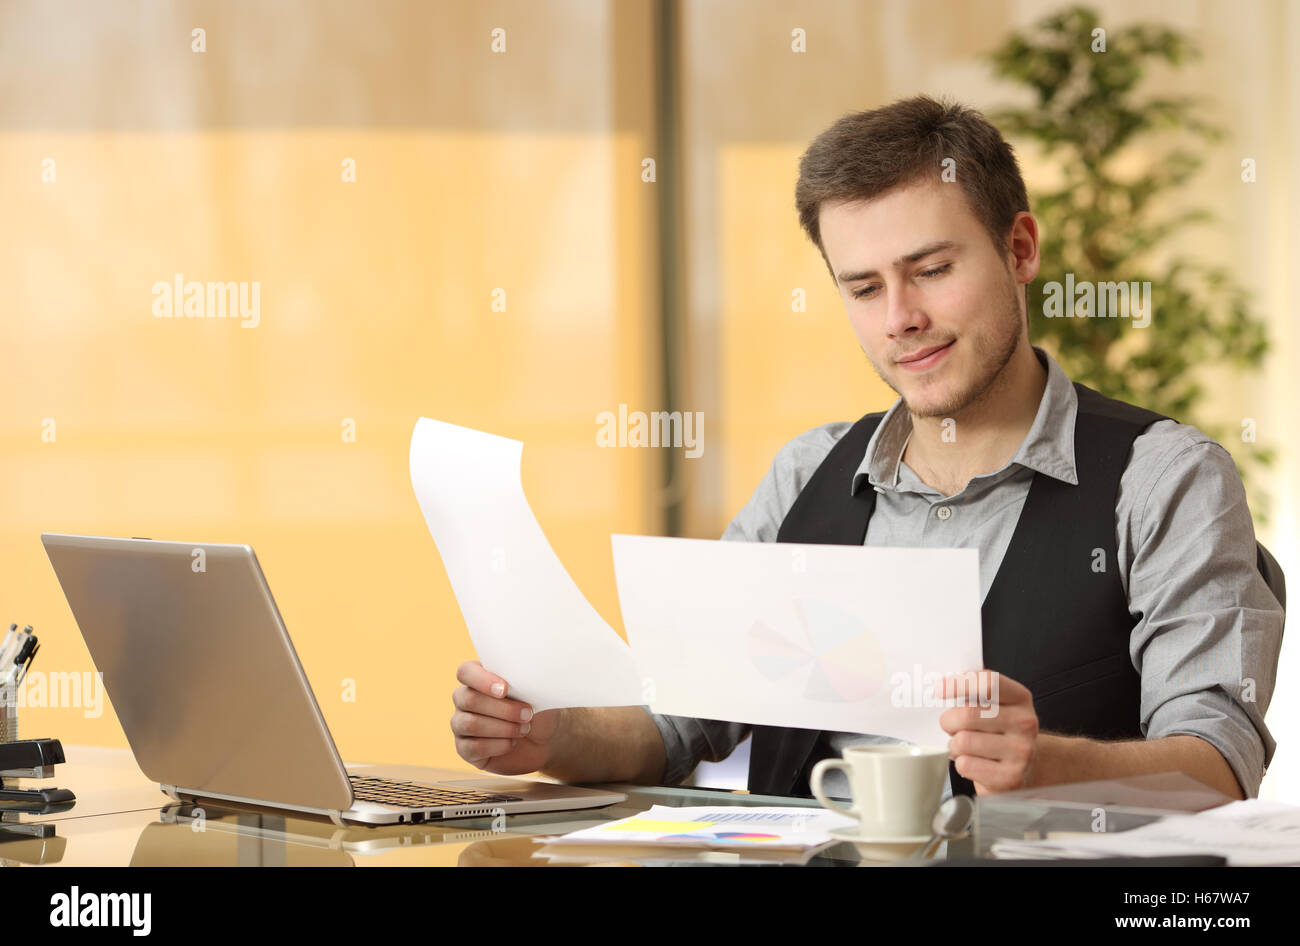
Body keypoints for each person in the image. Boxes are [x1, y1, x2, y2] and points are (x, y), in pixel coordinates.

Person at [450, 95, 1281, 802]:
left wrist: (1045, 765)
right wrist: (548, 738)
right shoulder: (807, 472)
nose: (898, 320)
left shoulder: (1162, 478)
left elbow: (1220, 764)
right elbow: (681, 716)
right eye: (863, 287)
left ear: (1020, 250)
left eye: (930, 269)